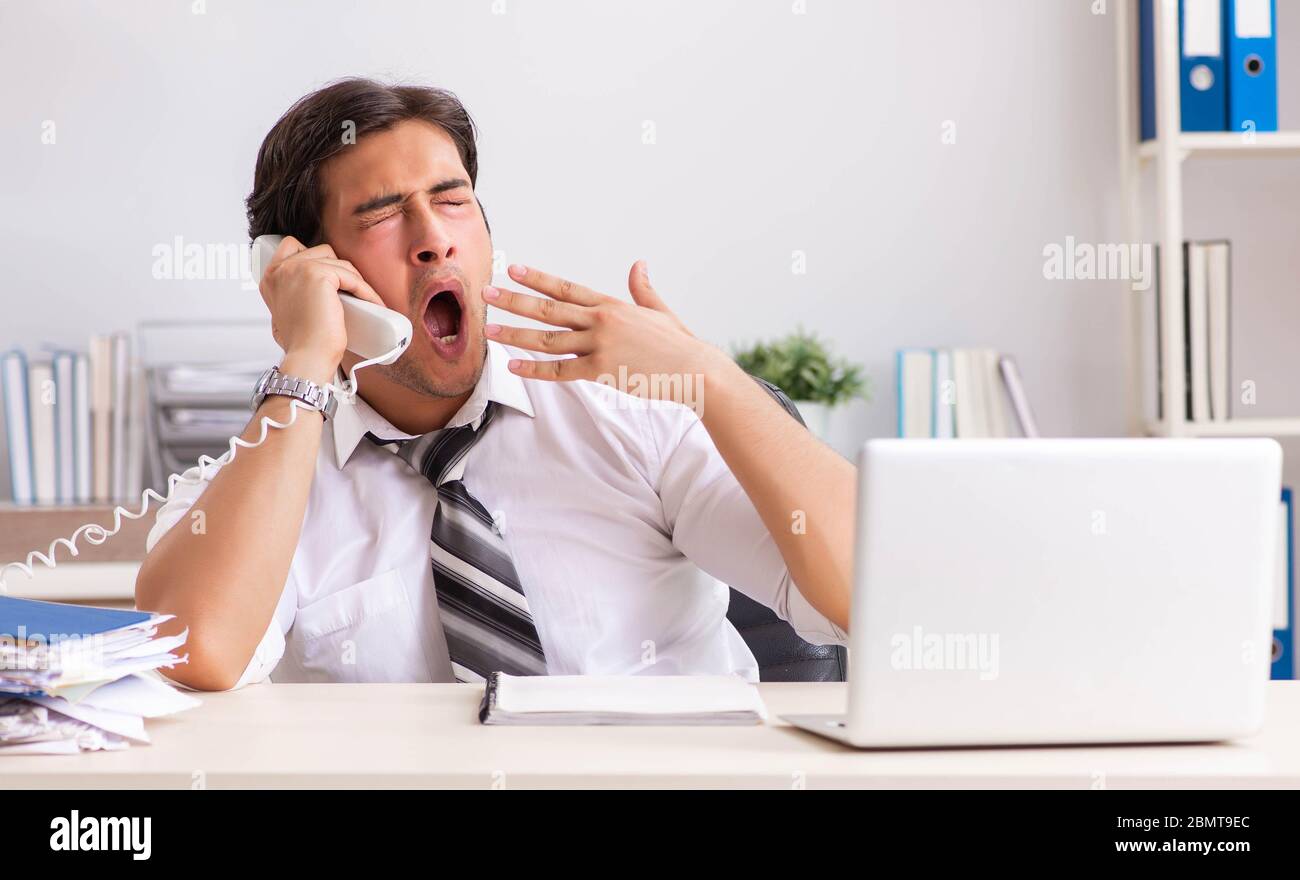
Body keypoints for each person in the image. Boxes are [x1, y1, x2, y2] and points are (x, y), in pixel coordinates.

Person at [135, 78, 854, 689]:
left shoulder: (633, 404)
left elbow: (869, 594)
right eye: (382, 212)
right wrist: (306, 359)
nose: (433, 237)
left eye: (452, 200)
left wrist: (710, 379)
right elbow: (195, 654)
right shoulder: (263, 483)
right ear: (303, 270)